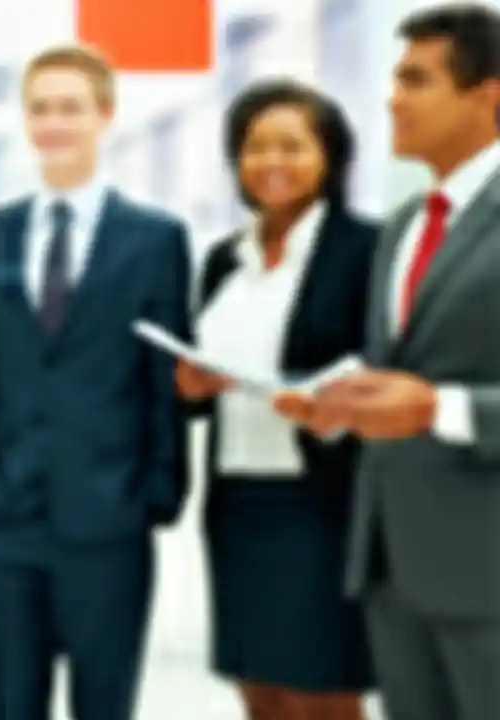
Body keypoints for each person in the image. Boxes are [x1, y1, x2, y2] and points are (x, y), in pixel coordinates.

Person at [275, 5, 500, 720]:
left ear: (487, 96)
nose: (391, 98)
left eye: (416, 80)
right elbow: (397, 366)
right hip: (390, 566)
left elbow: (429, 394)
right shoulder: (405, 224)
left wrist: (443, 408)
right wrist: (341, 401)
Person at [0, 44, 190, 720]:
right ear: (25, 121)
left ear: (104, 116)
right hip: (7, 522)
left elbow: (162, 377)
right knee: (8, 707)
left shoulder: (155, 240)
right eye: (40, 109)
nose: (54, 122)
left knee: (104, 707)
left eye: (70, 108)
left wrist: (155, 495)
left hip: (110, 522)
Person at [177, 80, 376, 720]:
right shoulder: (223, 260)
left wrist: (317, 394)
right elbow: (207, 380)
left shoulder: (363, 250)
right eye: (255, 147)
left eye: (292, 145)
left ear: (331, 157)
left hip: (321, 503)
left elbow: (380, 366)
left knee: (321, 689)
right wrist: (192, 390)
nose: (272, 162)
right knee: (257, 685)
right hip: (239, 501)